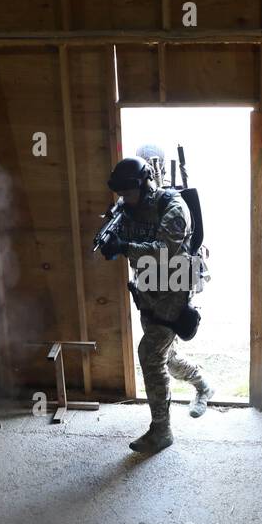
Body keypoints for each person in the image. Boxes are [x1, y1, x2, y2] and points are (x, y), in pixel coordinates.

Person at [97, 155, 213, 453]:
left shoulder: (173, 207)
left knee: (149, 353)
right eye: (121, 194)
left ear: (145, 185)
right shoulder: (128, 208)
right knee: (167, 357)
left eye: (129, 193)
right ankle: (202, 384)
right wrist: (113, 239)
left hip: (174, 287)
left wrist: (124, 248)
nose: (125, 199)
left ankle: (161, 431)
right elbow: (123, 232)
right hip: (148, 287)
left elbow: (164, 252)